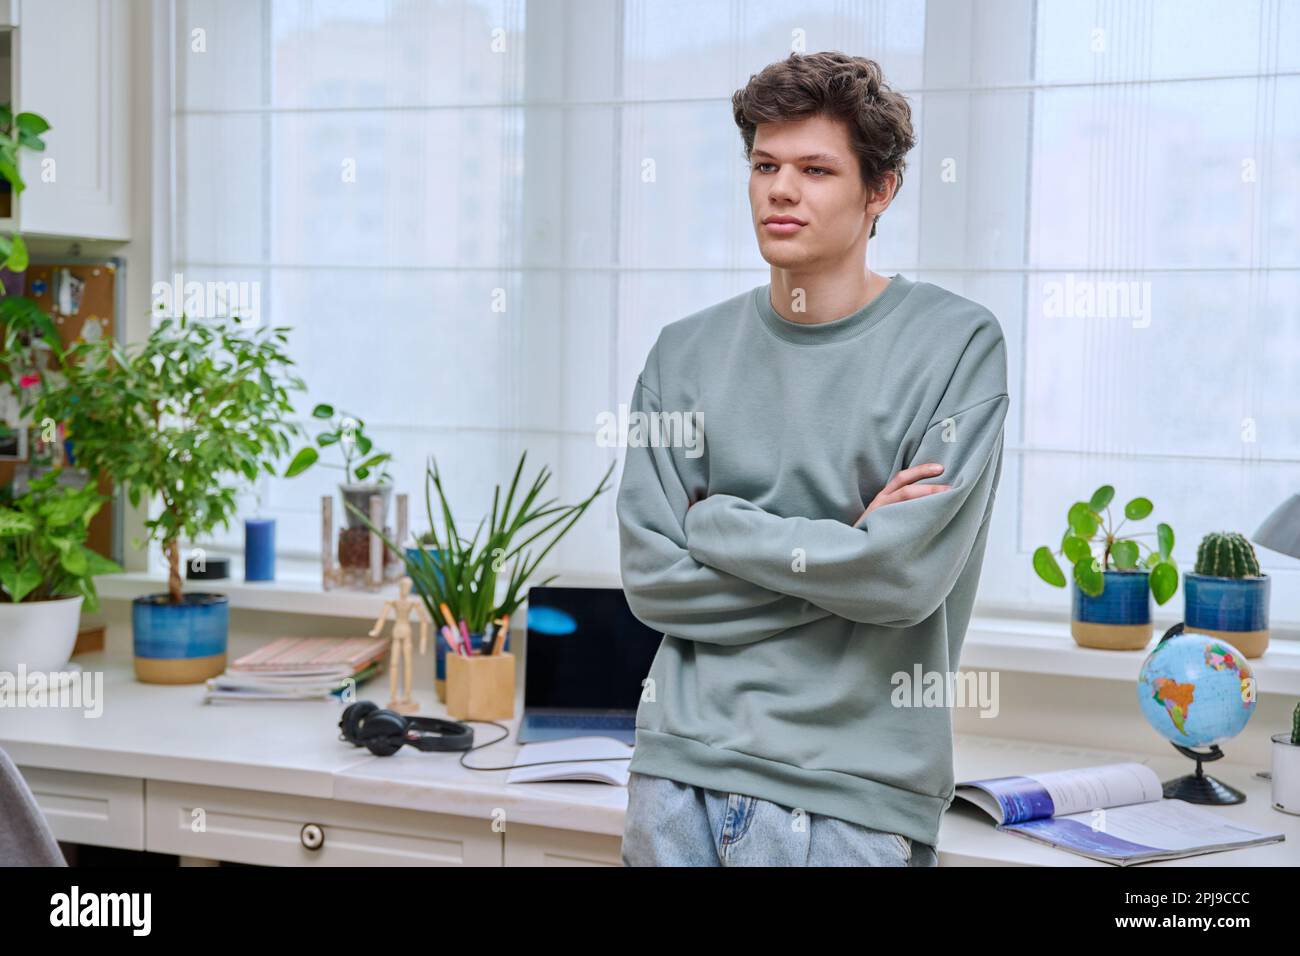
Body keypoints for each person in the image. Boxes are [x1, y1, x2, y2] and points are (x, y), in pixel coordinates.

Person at [616, 51, 1009, 866]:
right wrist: (848, 552)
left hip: (851, 806)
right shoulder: (682, 355)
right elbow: (653, 578)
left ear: (880, 190)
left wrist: (718, 526)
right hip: (673, 783)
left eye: (815, 168)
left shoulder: (957, 345)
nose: (780, 189)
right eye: (764, 164)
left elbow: (903, 581)